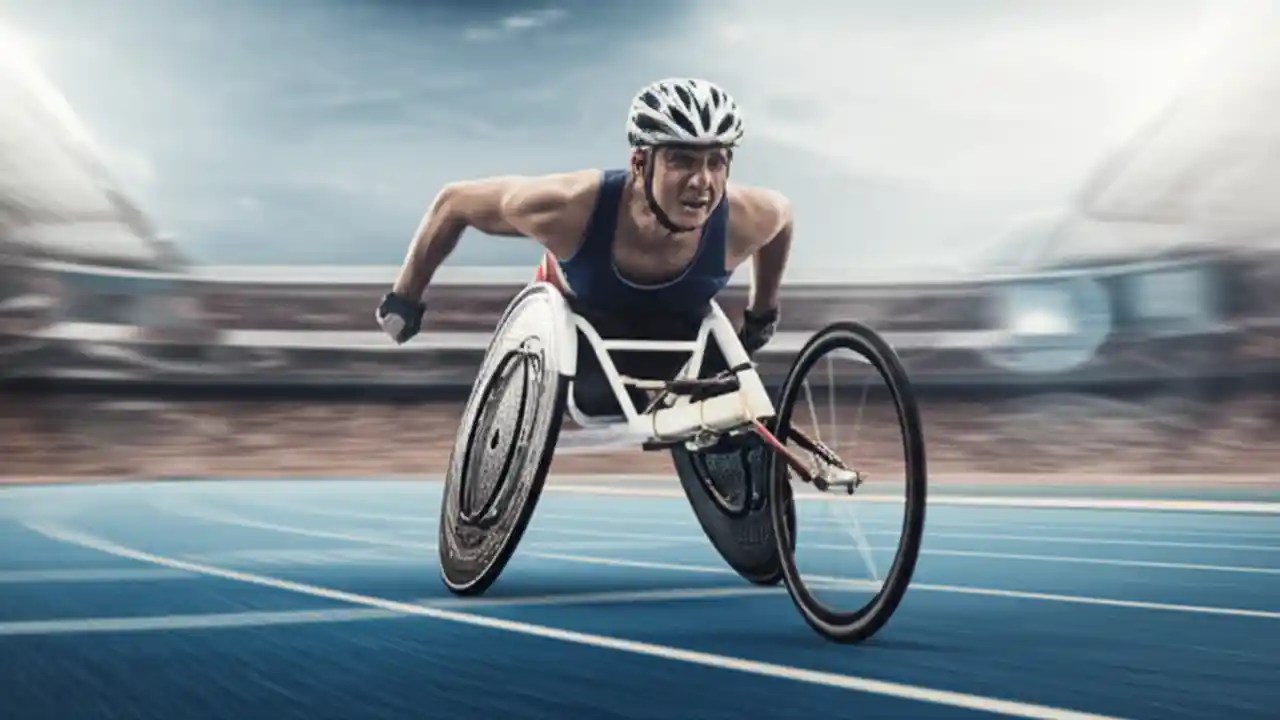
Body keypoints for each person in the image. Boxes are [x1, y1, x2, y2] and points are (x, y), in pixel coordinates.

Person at [376, 77, 793, 417]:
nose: (702, 181)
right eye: (682, 160)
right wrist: (404, 299)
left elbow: (783, 220)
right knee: (599, 403)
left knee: (740, 414)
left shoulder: (747, 216)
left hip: (678, 329)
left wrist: (763, 313)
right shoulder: (570, 208)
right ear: (639, 164)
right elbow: (454, 202)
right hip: (584, 329)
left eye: (716, 162)